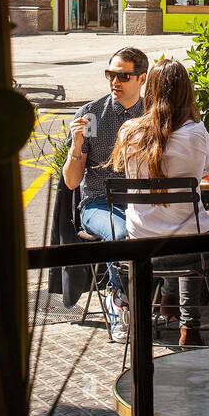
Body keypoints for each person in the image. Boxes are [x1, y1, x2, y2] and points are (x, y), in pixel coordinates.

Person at [109, 57, 209, 348]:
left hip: (142, 247)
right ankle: (189, 327)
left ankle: (159, 307)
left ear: (150, 90)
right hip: (187, 250)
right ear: (186, 92)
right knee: (189, 231)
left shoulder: (129, 131)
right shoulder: (197, 133)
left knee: (171, 226)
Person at [62, 47, 148, 333]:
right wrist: (76, 145)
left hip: (142, 202)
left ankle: (169, 305)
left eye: (123, 76)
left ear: (142, 78)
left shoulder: (151, 114)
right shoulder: (92, 115)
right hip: (98, 203)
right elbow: (71, 182)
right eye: (110, 74)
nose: (115, 82)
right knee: (120, 233)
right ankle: (119, 301)